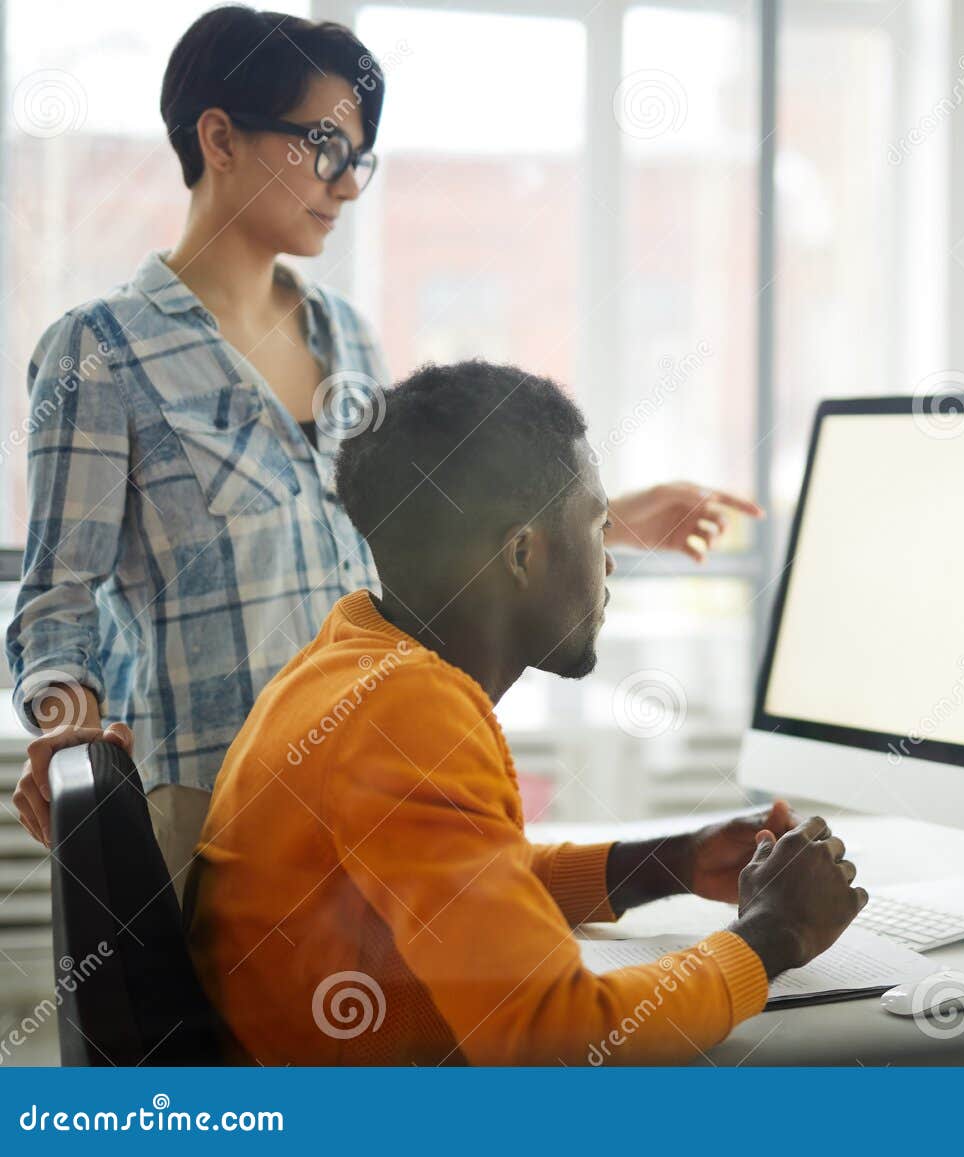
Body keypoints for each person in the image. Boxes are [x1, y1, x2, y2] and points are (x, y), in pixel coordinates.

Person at [5, 6, 758, 894]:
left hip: (373, 782)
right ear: (220, 137)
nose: (349, 184)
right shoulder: (101, 351)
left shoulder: (348, 340)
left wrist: (606, 522)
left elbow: (423, 530)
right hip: (212, 819)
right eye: (326, 148)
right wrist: (68, 730)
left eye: (359, 157)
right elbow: (58, 600)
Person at [185, 360, 862, 1064]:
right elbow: (558, 1039)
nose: (609, 563)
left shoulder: (350, 655)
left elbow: (470, 891)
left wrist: (669, 862)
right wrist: (775, 934)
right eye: (599, 525)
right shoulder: (406, 712)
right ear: (521, 552)